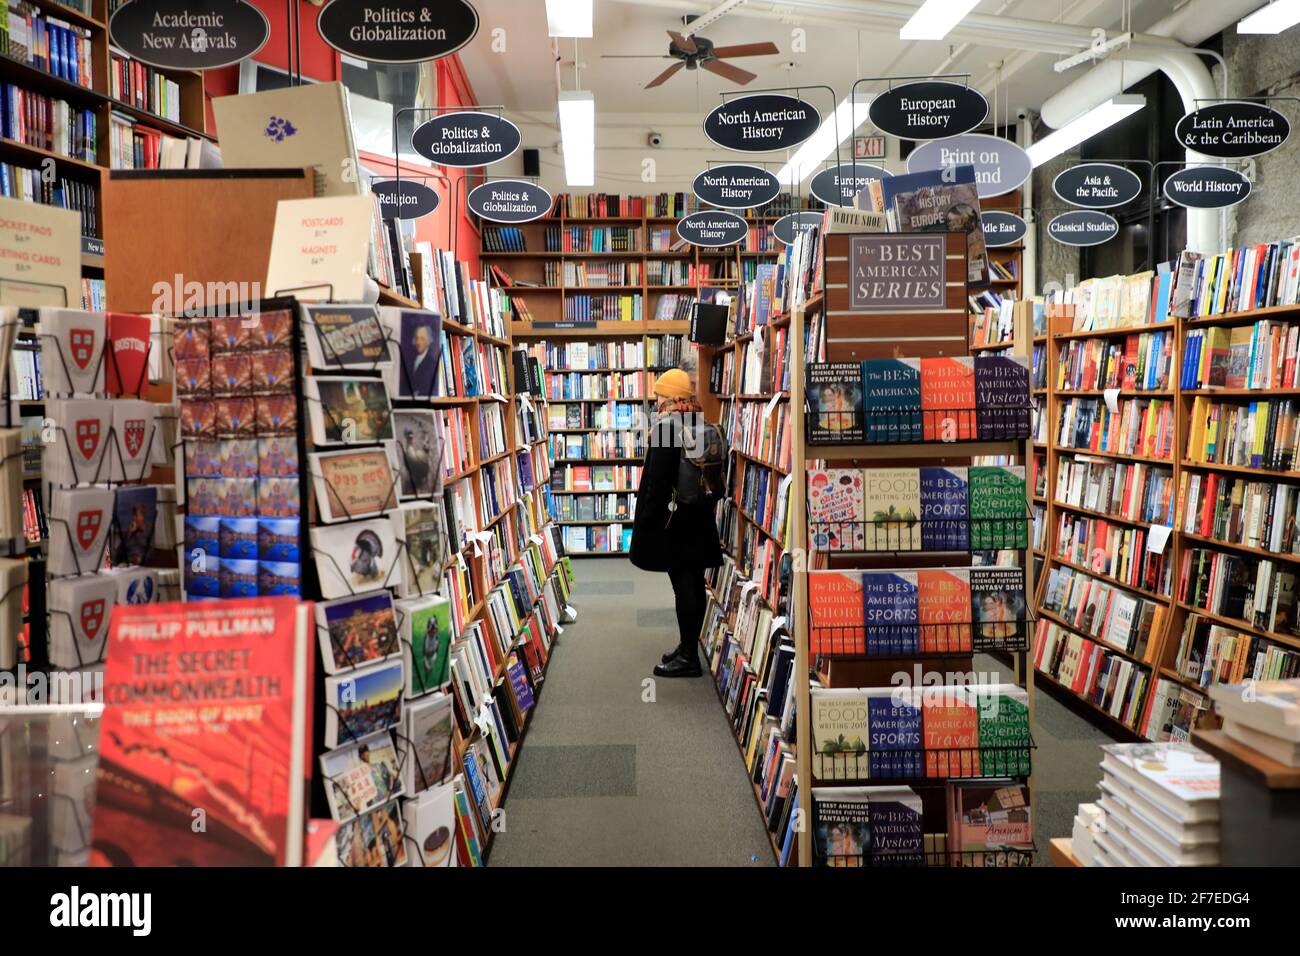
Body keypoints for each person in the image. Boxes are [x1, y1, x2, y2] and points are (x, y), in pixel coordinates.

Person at [630, 368, 723, 678]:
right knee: (694, 583)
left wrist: (644, 519)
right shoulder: (697, 420)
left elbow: (657, 481)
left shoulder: (668, 426)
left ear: (669, 396)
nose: (656, 401)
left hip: (676, 521)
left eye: (659, 394)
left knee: (683, 587)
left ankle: (688, 657)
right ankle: (687, 648)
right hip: (698, 516)